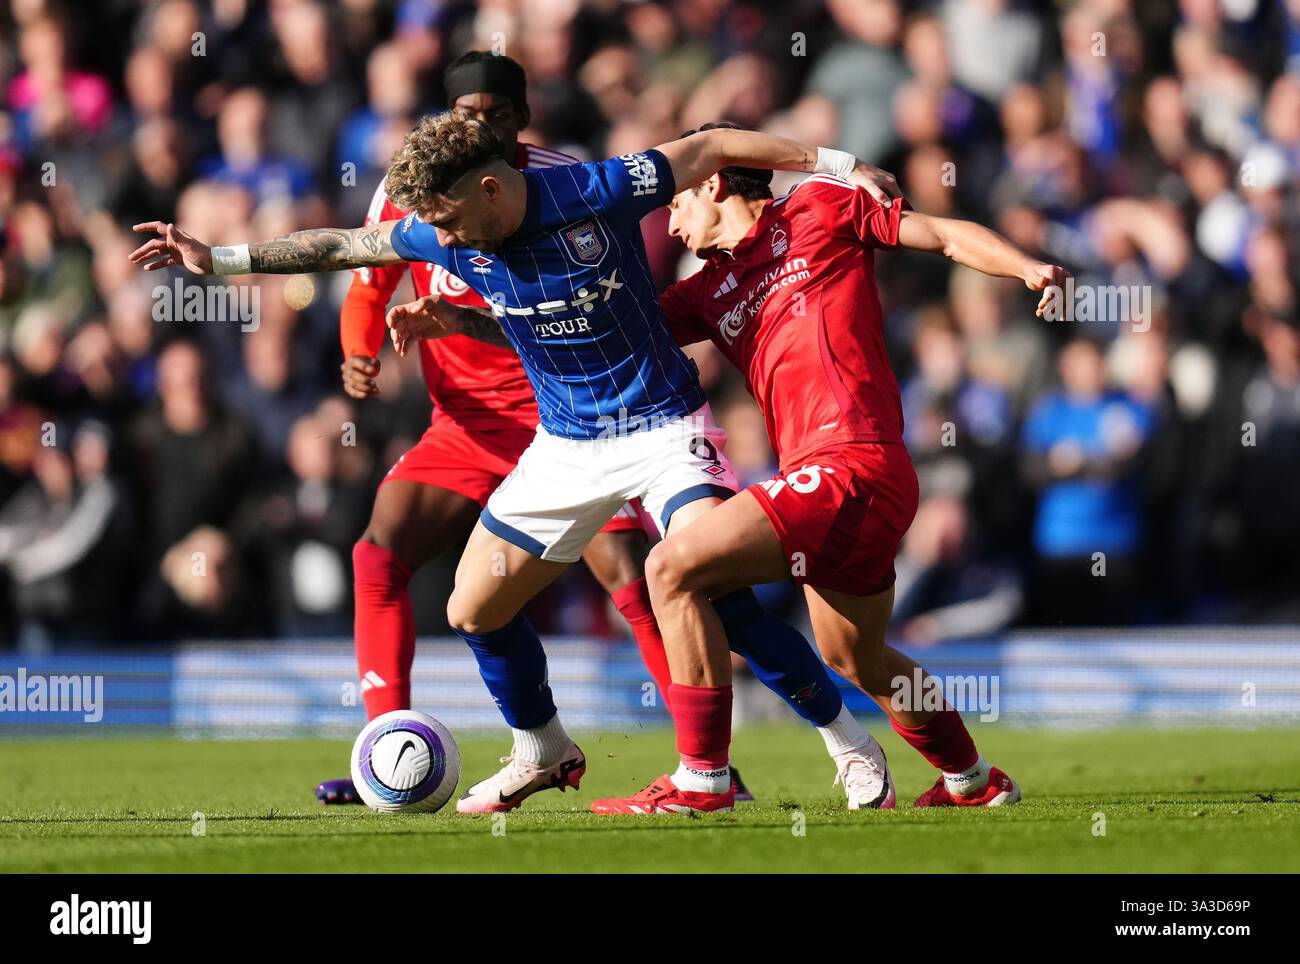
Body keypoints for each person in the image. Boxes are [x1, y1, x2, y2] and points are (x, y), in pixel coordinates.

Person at [129, 110, 909, 812]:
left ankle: (841, 741)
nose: (442, 239)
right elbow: (337, 245)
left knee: (713, 591)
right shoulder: (439, 231)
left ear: (495, 189)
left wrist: (834, 163)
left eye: (449, 218)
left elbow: (710, 144)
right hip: (566, 445)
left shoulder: (596, 190)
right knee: (473, 608)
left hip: (663, 428)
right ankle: (544, 746)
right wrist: (219, 260)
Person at [571, 125, 1068, 814]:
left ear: (712, 181)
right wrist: (468, 316)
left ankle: (702, 780)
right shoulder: (706, 293)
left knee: (670, 568)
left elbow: (945, 237)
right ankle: (973, 780)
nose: (672, 225)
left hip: (853, 461)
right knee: (855, 659)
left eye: (675, 205)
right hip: (842, 485)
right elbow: (601, 336)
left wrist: (1025, 267)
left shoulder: (819, 209)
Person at [319, 50, 703, 806]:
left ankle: (705, 761)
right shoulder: (415, 194)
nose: (486, 128)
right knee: (379, 551)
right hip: (462, 424)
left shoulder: (565, 182)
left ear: (522, 119)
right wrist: (357, 353)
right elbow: (364, 283)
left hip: (563, 417)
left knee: (630, 578)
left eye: (499, 115)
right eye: (470, 117)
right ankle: (387, 747)